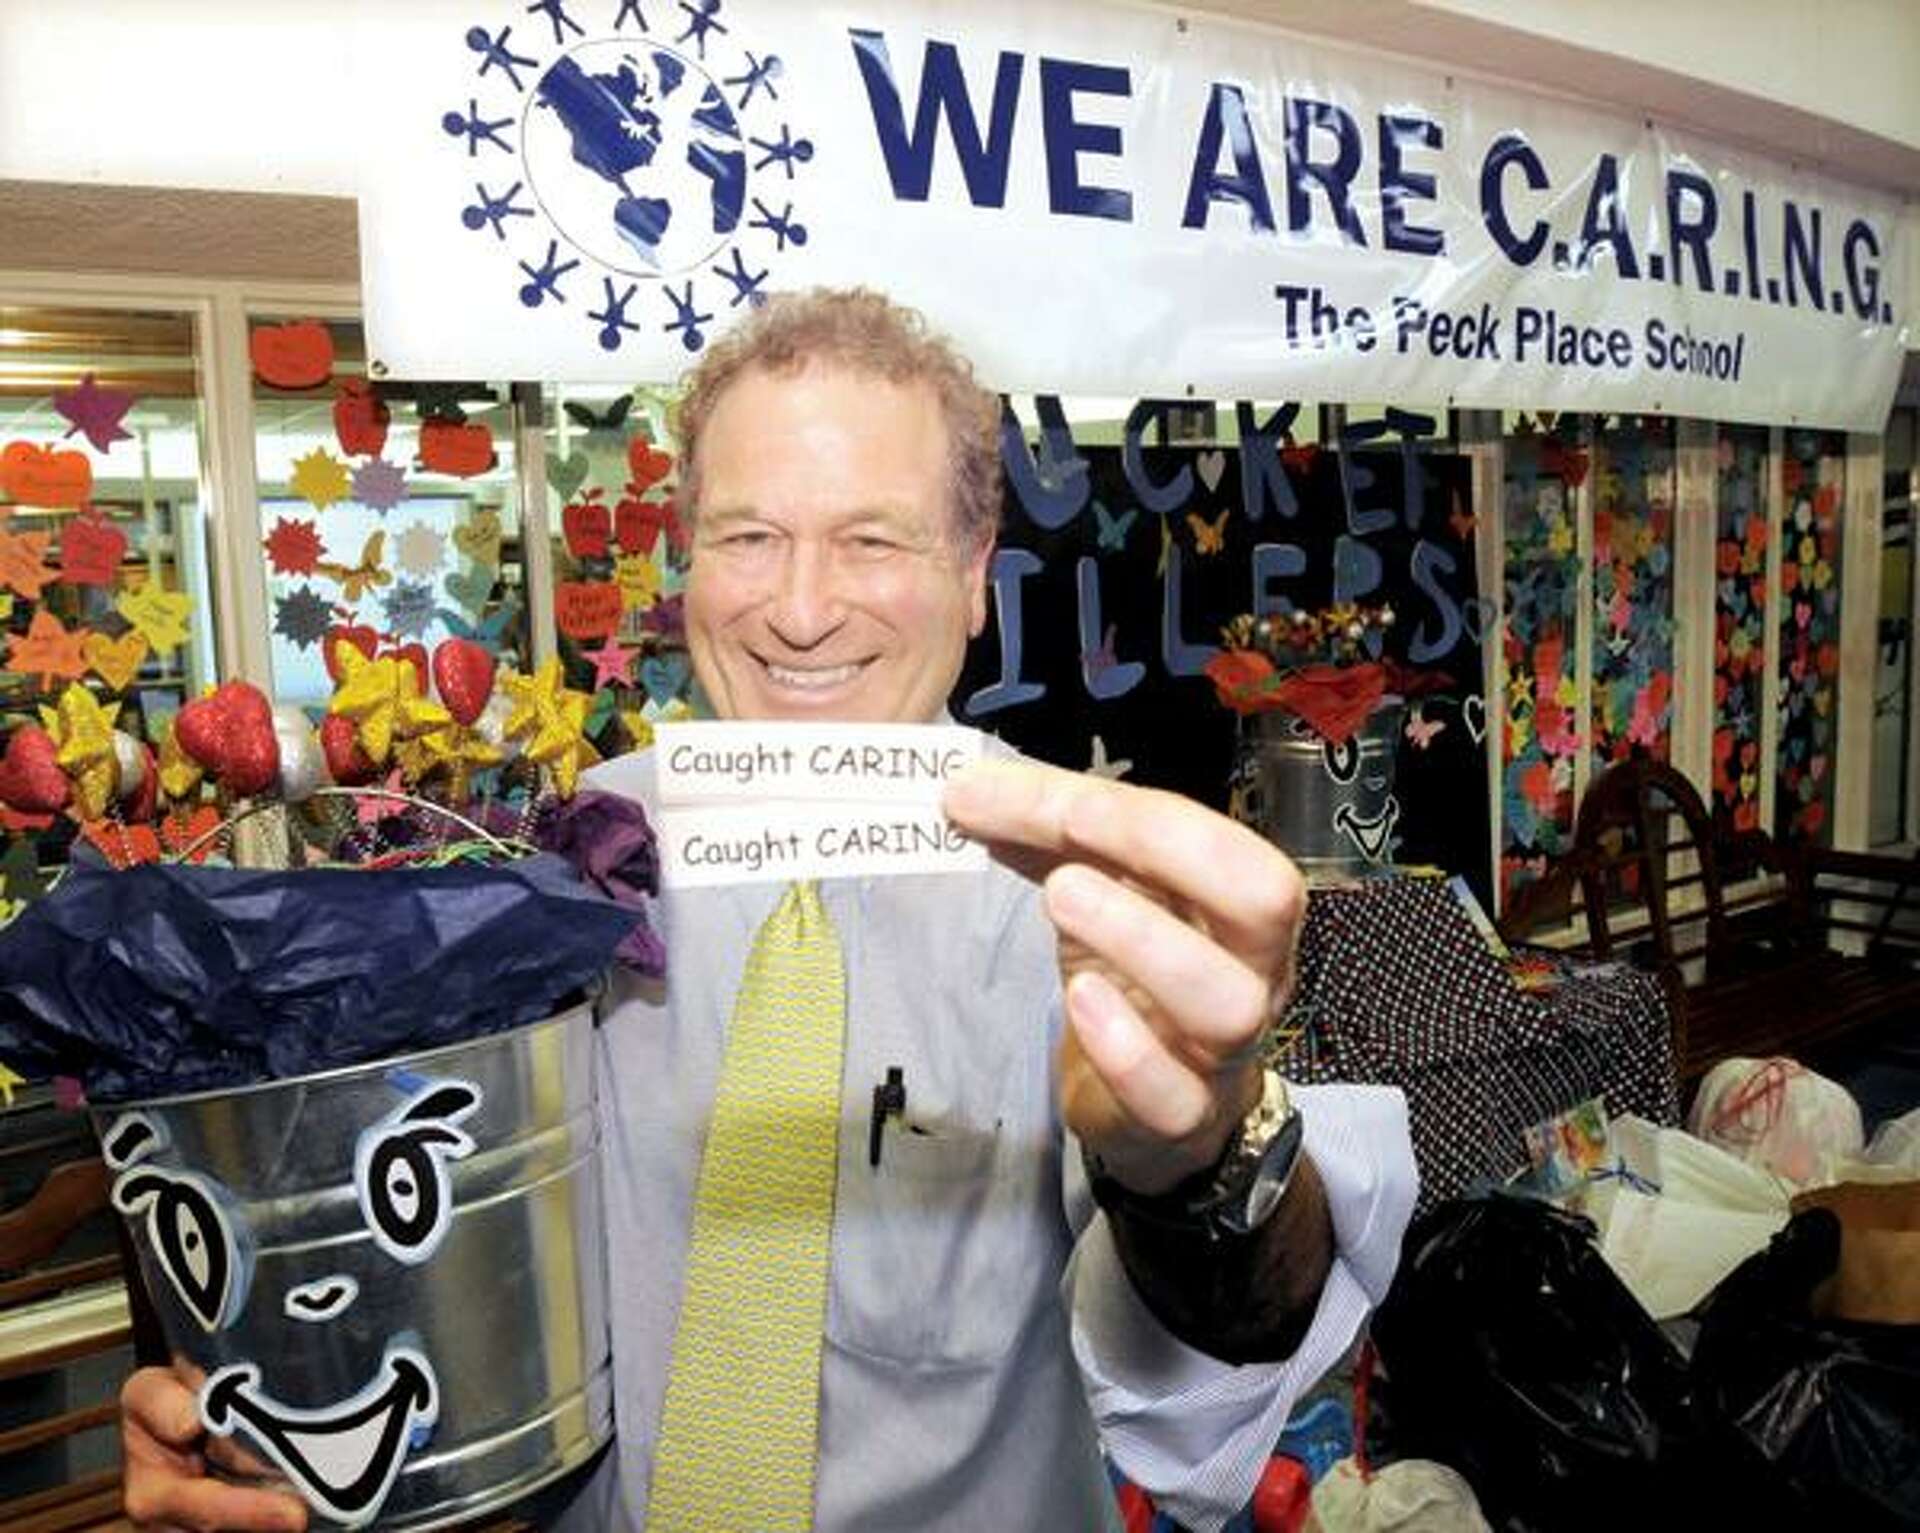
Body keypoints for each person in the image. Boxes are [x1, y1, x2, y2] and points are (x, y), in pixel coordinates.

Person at [121, 288, 1416, 1531]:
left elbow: (1235, 1344)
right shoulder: (555, 867)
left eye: (872, 540)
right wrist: (250, 1396)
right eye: (749, 538)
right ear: (689, 564)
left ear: (975, 574)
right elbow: (402, 1257)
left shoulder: (1083, 893)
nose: (800, 612)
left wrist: (1196, 1161)